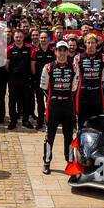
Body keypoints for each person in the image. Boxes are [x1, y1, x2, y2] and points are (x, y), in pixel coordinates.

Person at [39, 40, 76, 174]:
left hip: (67, 104)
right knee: (50, 135)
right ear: (55, 52)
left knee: (69, 136)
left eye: (64, 50)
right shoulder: (48, 67)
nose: (62, 53)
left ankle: (70, 162)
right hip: (53, 104)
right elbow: (43, 87)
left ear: (67, 52)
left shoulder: (73, 67)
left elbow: (74, 87)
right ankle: (47, 162)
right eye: (59, 50)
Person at [74, 33, 104, 130]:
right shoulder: (78, 57)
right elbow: (76, 77)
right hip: (82, 93)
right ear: (85, 44)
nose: (90, 45)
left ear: (96, 44)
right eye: (88, 42)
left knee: (97, 119)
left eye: (93, 42)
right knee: (81, 119)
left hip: (97, 92)